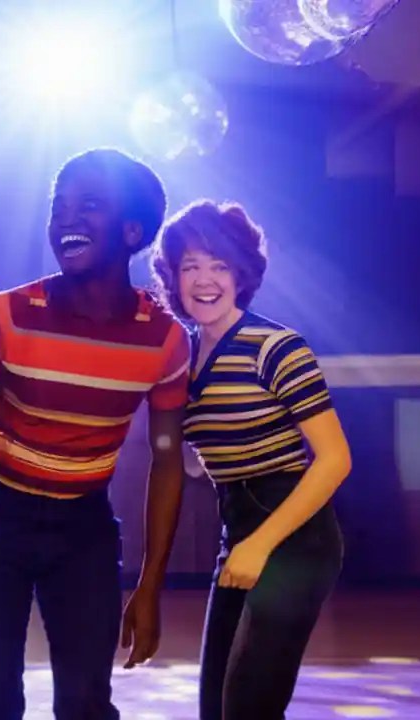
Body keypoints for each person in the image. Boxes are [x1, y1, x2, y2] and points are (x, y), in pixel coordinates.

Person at [0, 148, 190, 720]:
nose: (67, 219)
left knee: (86, 704)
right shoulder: (8, 315)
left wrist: (151, 584)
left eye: (89, 205)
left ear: (133, 230)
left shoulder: (164, 341)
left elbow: (166, 461)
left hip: (83, 531)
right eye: (59, 206)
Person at [149, 200, 350, 720]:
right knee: (215, 708)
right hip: (237, 532)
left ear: (240, 274)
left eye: (219, 265)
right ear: (173, 277)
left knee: (247, 707)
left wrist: (262, 544)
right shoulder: (182, 358)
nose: (204, 279)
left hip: (296, 541)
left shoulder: (276, 346)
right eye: (190, 266)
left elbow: (333, 461)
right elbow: (202, 457)